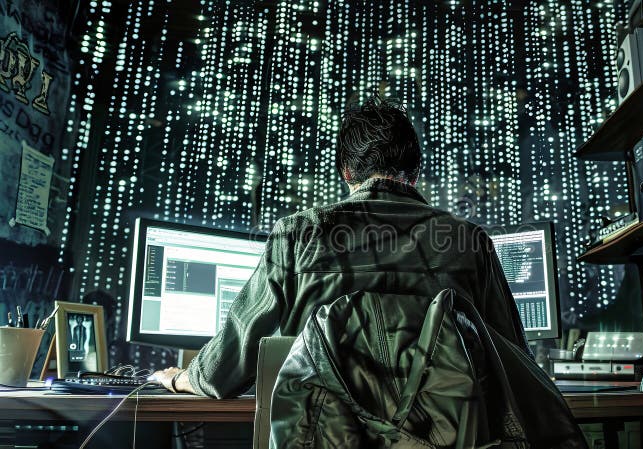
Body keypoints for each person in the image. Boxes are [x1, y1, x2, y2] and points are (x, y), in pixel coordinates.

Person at [152, 96, 529, 397]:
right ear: (414, 174)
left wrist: (181, 378)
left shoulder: (298, 234)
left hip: (319, 436)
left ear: (346, 173)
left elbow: (228, 369)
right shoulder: (470, 241)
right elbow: (516, 366)